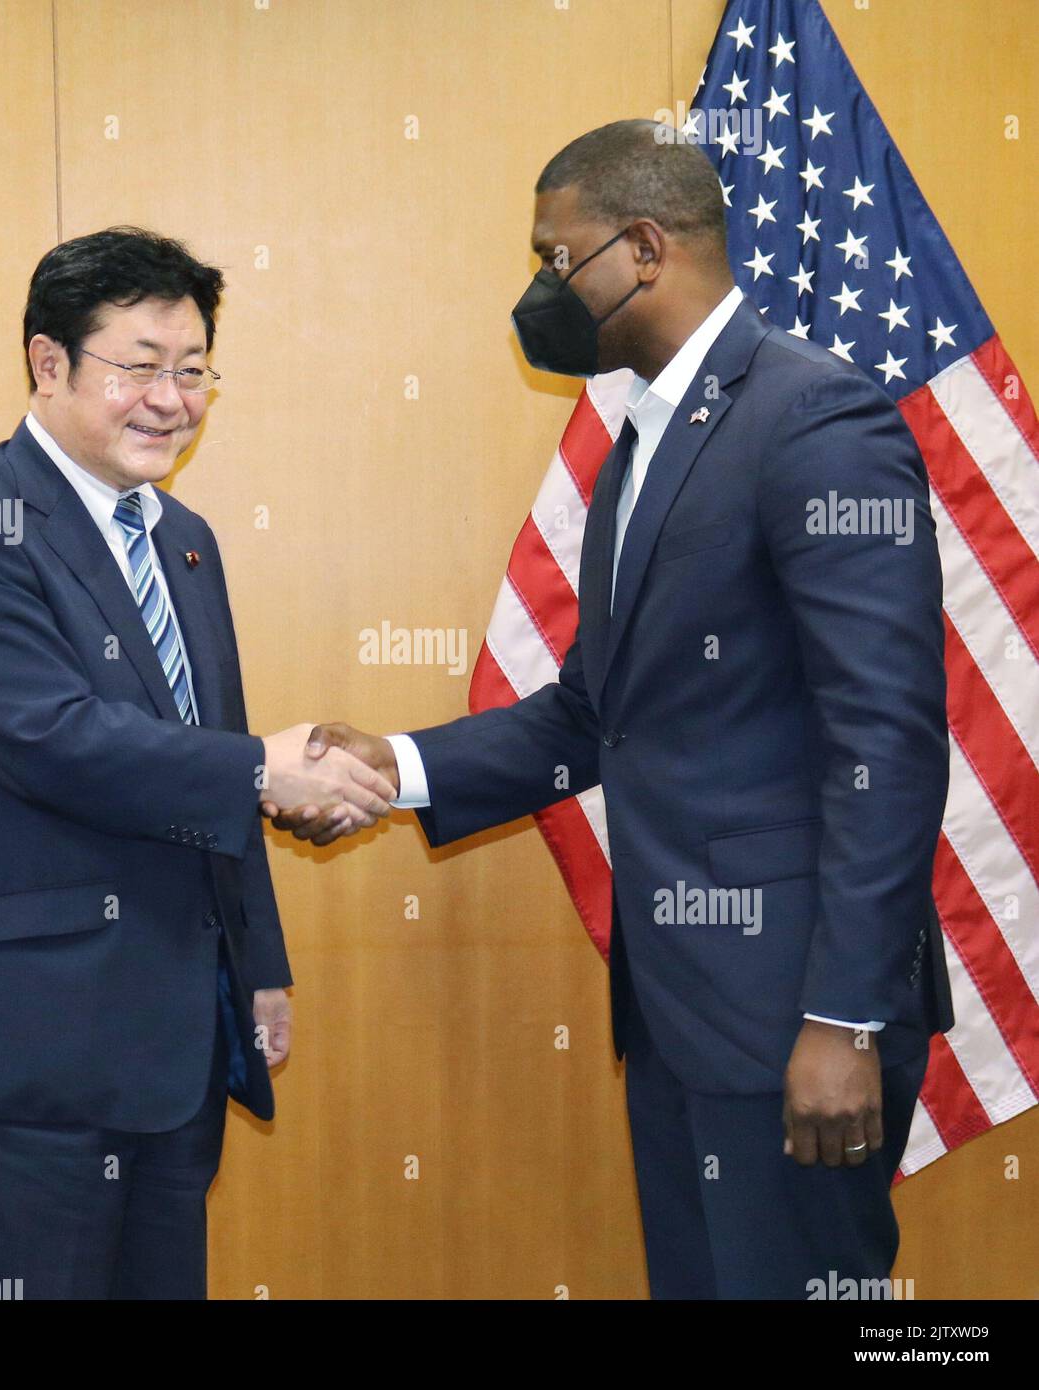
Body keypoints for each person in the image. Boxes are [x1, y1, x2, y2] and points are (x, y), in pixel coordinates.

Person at [264, 122, 954, 1300]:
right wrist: (398, 764)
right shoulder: (638, 449)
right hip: (682, 1011)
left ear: (641, 249)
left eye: (553, 257)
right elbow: (598, 710)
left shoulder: (812, 421)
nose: (539, 288)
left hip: (795, 1011)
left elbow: (883, 740)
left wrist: (841, 1018)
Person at [0, 226, 395, 1300]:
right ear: (48, 365)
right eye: (139, 366)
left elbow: (202, 750)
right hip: (10, 1056)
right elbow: (49, 740)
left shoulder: (181, 536)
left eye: (193, 370)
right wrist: (261, 769)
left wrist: (257, 963)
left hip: (165, 1046)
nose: (172, 399)